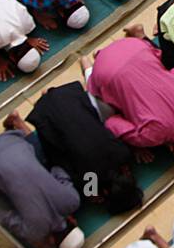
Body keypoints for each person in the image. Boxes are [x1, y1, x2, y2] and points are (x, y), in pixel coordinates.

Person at [19, 82, 142, 214]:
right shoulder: (91, 176)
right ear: (106, 191)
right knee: (50, 158)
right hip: (47, 112)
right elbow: (64, 167)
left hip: (70, 96)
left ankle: (48, 99)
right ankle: (42, 105)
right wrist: (91, 193)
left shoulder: (122, 155)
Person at [0, 124, 84, 248]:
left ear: (73, 221)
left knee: (42, 162)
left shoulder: (73, 201)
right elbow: (2, 215)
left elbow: (58, 170)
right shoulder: (34, 232)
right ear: (52, 240)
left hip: (16, 141)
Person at [86, 35, 174, 158]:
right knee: (103, 109)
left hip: (135, 46)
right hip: (105, 70)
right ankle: (89, 66)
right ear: (171, 148)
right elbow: (112, 123)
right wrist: (137, 145)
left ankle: (104, 55)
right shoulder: (149, 138)